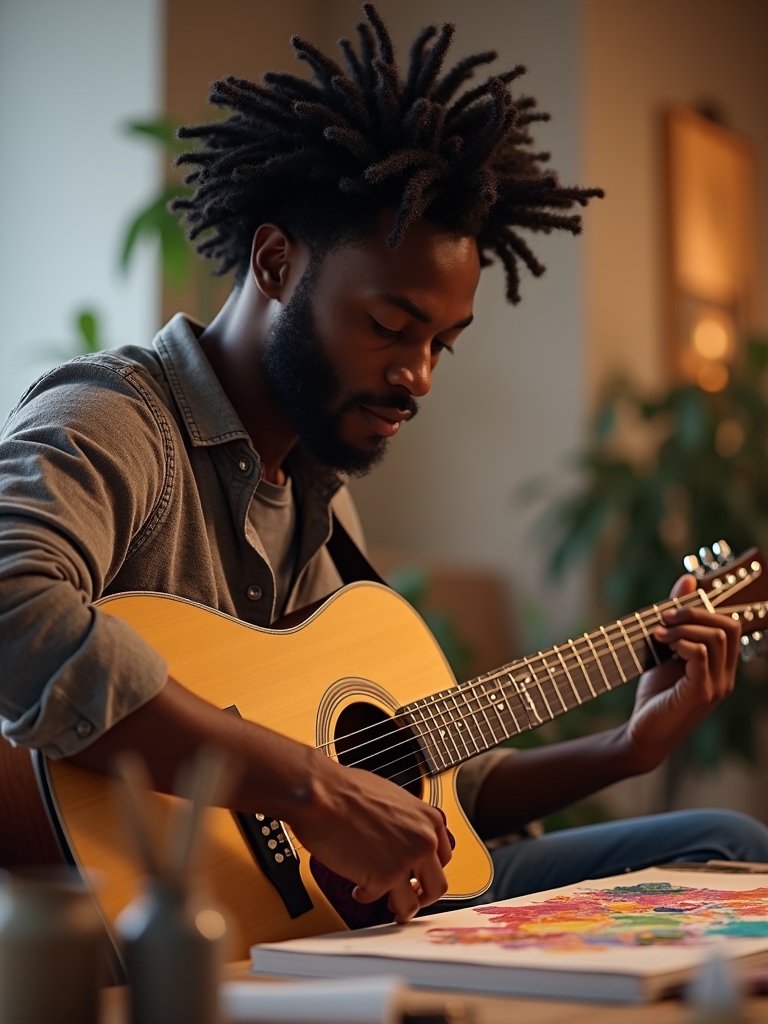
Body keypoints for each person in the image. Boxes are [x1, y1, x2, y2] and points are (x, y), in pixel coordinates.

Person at [1, 4, 766, 928]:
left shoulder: (321, 501)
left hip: (317, 912)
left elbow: (449, 792)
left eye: (444, 342)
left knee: (722, 846)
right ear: (277, 261)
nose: (418, 377)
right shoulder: (122, 418)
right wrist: (310, 790)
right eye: (390, 328)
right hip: (134, 915)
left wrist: (626, 751)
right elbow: (14, 602)